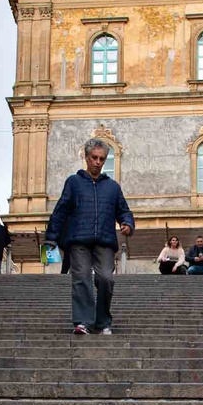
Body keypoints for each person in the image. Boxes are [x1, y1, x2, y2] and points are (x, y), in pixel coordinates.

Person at [45, 137, 135, 335]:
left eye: (102, 159)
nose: (98, 162)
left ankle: (103, 321)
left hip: (104, 240)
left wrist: (127, 223)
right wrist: (51, 236)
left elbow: (123, 210)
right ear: (86, 158)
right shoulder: (74, 182)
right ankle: (83, 321)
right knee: (81, 278)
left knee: (106, 279)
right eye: (94, 157)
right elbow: (61, 209)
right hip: (78, 240)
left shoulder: (112, 187)